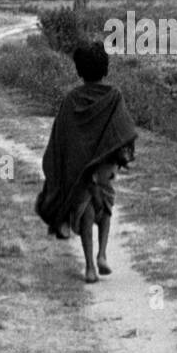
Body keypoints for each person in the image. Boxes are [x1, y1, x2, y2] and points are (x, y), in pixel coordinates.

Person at [35, 41, 137, 283]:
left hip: (80, 168)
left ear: (79, 70)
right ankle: (103, 254)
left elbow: (62, 137)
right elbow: (123, 130)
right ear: (106, 69)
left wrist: (62, 168)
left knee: (86, 211)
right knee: (107, 207)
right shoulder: (113, 97)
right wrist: (122, 156)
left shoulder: (72, 99)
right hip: (104, 167)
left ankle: (90, 267)